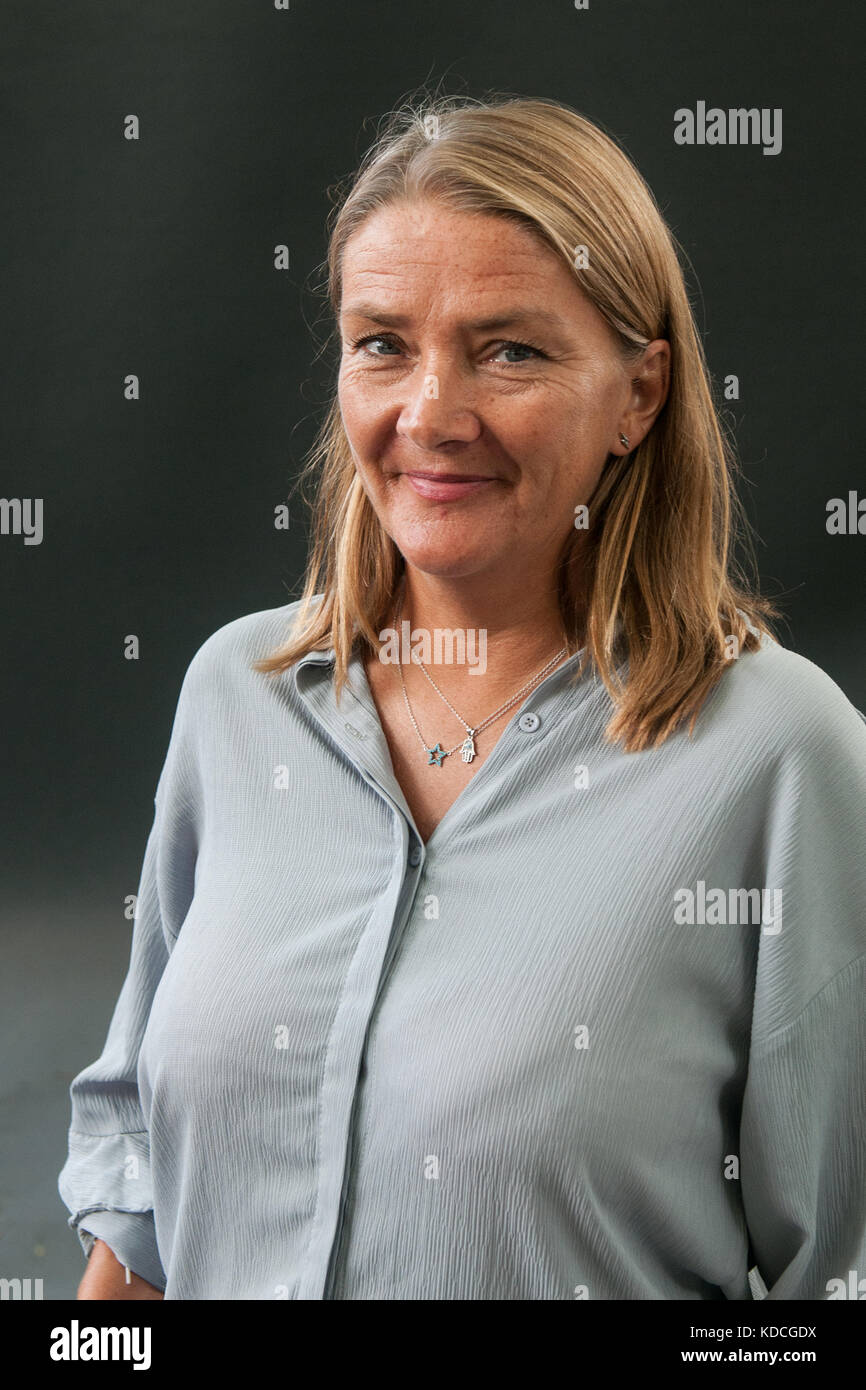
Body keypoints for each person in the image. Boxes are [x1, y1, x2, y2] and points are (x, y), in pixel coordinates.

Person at [60, 93, 866, 1301]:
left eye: (510, 350)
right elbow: (140, 1214)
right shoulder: (239, 697)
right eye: (382, 342)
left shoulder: (779, 756)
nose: (430, 415)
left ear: (638, 396)